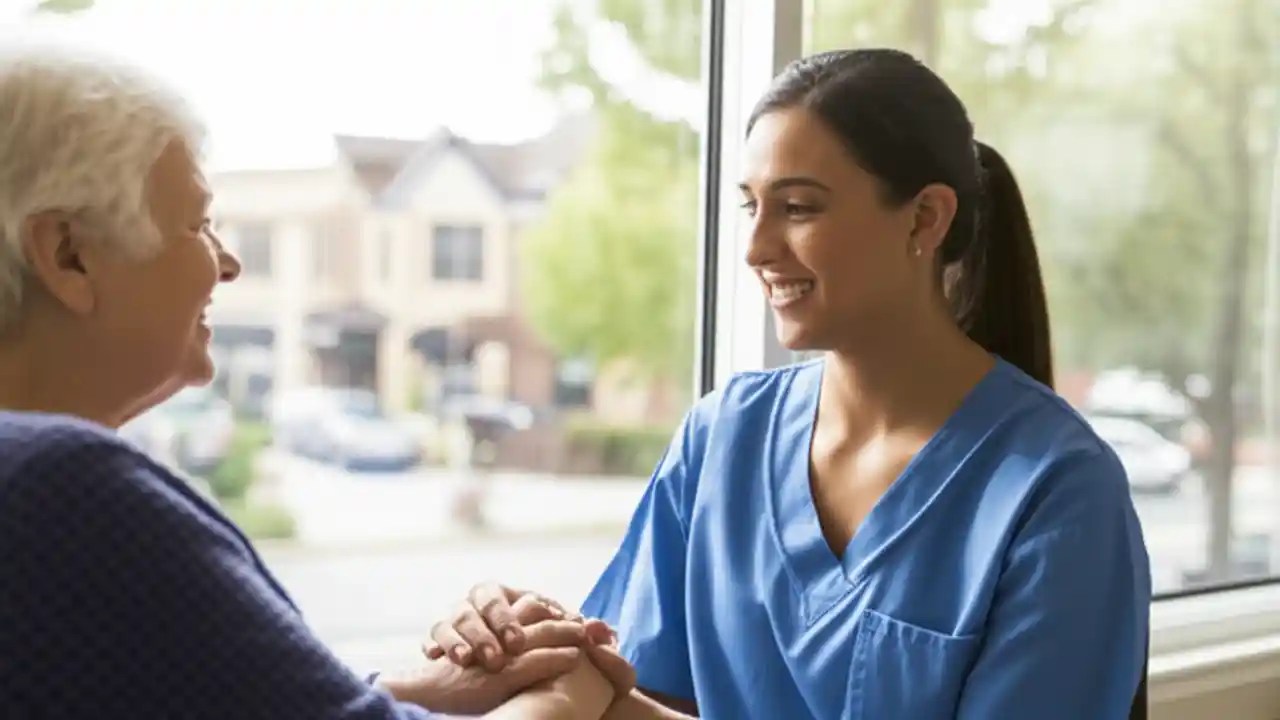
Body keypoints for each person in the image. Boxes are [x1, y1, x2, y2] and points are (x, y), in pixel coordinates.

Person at [424, 48, 1152, 719]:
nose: (755, 247)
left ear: (925, 218)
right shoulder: (722, 438)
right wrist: (530, 653)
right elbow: (632, 698)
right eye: (751, 205)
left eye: (798, 207)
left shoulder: (1058, 493)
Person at [0, 43, 631, 719]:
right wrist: (571, 685)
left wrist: (410, 689)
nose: (229, 263)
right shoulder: (63, 492)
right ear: (69, 254)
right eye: (198, 225)